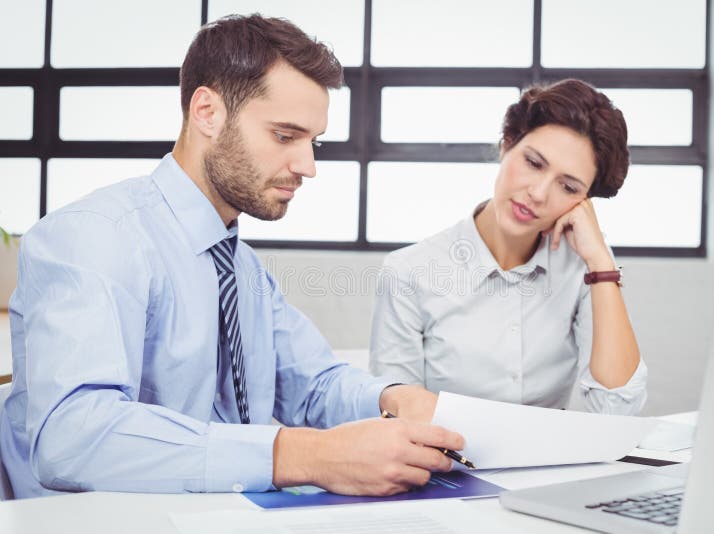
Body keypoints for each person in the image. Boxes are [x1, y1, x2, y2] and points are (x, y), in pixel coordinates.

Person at [0, 14, 464, 499]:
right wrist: (303, 456)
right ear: (207, 112)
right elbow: (72, 439)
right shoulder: (93, 238)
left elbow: (311, 383)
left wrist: (393, 399)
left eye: (314, 142)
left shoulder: (241, 267)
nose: (308, 166)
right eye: (285, 136)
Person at [370, 79, 647, 415]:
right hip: (444, 449)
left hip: (548, 450)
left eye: (568, 187)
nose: (539, 193)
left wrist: (601, 263)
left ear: (583, 202)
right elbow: (396, 417)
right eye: (534, 163)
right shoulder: (408, 271)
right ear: (507, 143)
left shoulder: (584, 266)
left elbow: (617, 410)